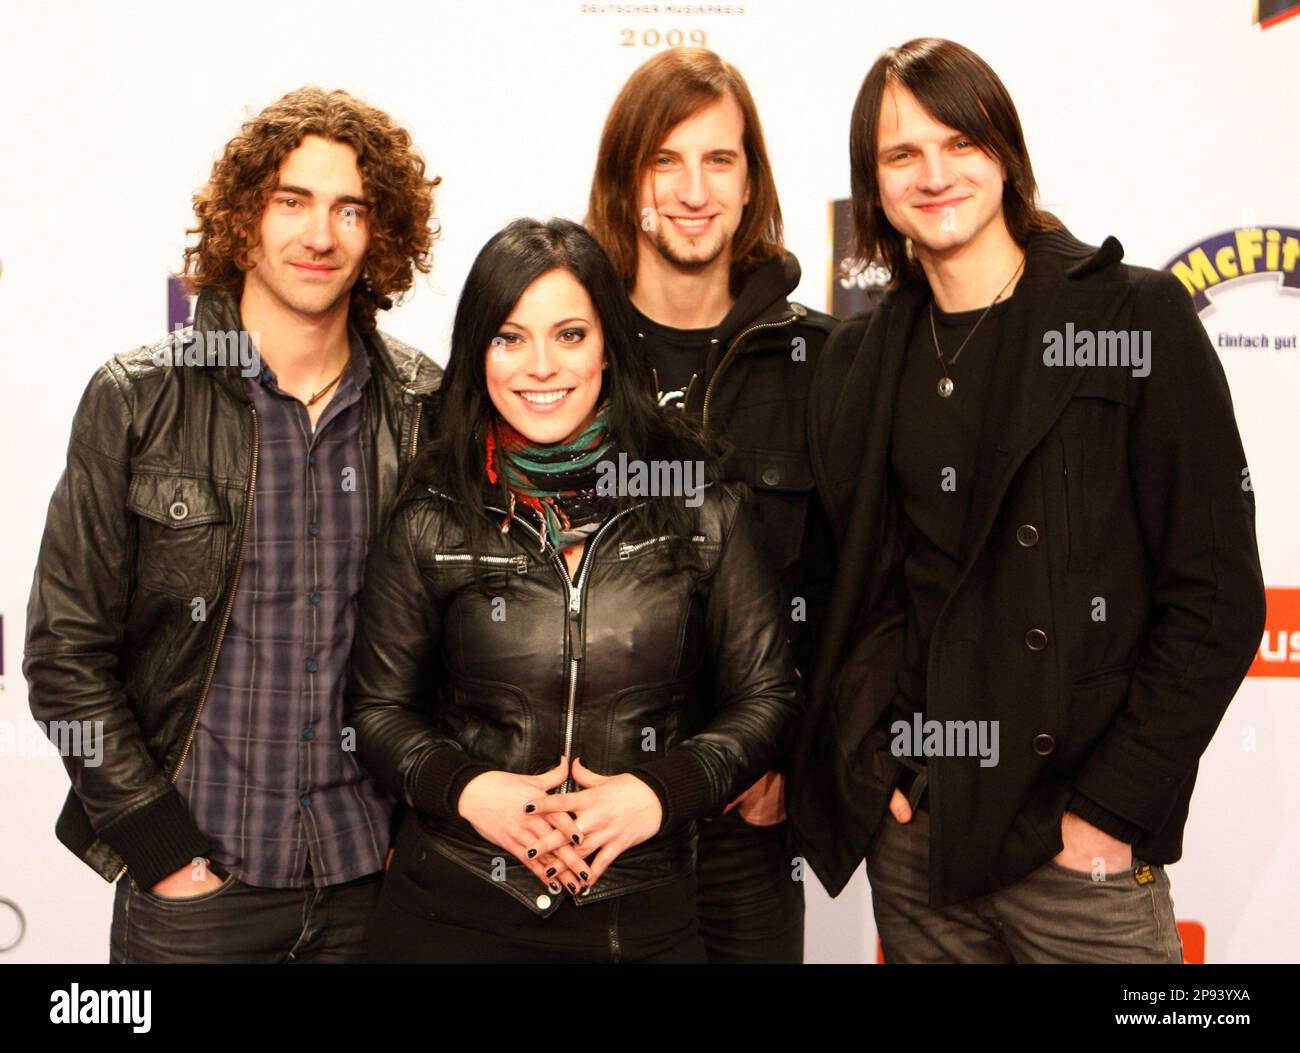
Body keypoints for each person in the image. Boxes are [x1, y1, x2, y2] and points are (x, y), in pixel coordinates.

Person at [788, 38, 1266, 964]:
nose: (934, 174)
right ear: (872, 185)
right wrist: (882, 769)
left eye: (958, 142)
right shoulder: (858, 357)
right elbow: (856, 593)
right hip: (920, 837)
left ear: (1003, 151)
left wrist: (1112, 809)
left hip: (1076, 844)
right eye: (901, 154)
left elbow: (1214, 598)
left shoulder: (1131, 319)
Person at [23, 87, 441, 963]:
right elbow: (65, 656)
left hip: (378, 884)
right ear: (245, 218)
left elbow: (463, 643)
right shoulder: (138, 398)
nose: (319, 234)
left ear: (380, 236)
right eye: (292, 200)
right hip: (197, 897)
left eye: (350, 208)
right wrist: (160, 851)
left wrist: (420, 826)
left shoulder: (424, 406)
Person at [346, 217, 802, 964]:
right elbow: (374, 710)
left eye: (569, 334)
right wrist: (469, 790)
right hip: (449, 909)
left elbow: (769, 698)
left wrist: (658, 793)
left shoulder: (698, 501)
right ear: (478, 354)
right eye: (509, 337)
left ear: (608, 350)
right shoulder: (432, 512)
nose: (539, 365)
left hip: (640, 916)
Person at [585, 46, 836, 963]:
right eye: (665, 160)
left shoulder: (823, 361)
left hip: (745, 816)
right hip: (584, 809)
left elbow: (861, 590)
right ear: (626, 181)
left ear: (750, 181)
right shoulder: (564, 352)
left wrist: (793, 758)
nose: (693, 190)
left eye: (719, 160)